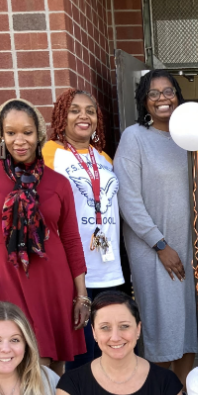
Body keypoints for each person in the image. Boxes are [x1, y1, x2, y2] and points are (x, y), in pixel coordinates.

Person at [115, 70, 198, 395]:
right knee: (162, 322)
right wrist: (160, 244)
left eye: (169, 91)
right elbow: (128, 199)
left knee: (191, 319)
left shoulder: (192, 137)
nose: (162, 98)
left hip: (194, 246)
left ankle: (183, 393)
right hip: (154, 248)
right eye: (153, 93)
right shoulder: (135, 138)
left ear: (178, 96)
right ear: (144, 100)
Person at [0, 98, 89, 372]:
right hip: (8, 282)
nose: (19, 140)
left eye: (27, 132)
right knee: (21, 363)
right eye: (11, 132)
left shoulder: (59, 183)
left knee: (52, 371)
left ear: (38, 134)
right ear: (1, 134)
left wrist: (81, 295)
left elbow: (71, 240)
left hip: (54, 285)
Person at [44, 88, 124, 368]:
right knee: (81, 351)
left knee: (108, 346)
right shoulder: (49, 153)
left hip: (108, 267)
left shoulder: (103, 158)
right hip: (72, 268)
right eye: (74, 110)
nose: (84, 116)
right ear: (61, 116)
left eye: (90, 111)